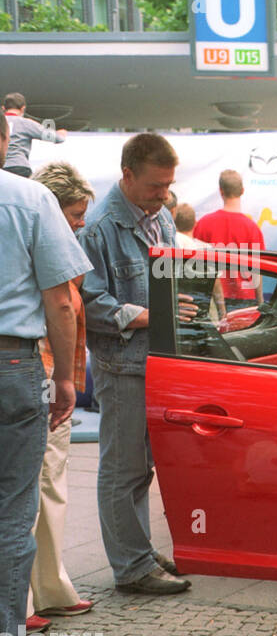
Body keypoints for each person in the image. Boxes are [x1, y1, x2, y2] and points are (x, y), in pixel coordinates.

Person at [79, 133, 194, 595]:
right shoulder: (99, 228)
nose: (164, 195)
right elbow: (88, 303)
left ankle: (139, 551)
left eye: (168, 185)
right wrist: (152, 316)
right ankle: (131, 565)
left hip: (154, 363)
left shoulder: (160, 217)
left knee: (142, 467)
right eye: (155, 186)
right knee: (122, 467)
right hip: (122, 366)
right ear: (127, 175)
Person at [0, 111, 85, 636]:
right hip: (11, 364)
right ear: (5, 140)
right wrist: (67, 376)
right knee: (11, 513)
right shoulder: (27, 199)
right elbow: (61, 300)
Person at [25, 164, 97, 630]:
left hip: (39, 377)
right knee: (36, 489)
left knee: (42, 488)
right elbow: (63, 307)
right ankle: (32, 598)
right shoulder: (47, 247)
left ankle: (46, 589)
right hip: (45, 379)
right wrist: (66, 384)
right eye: (75, 213)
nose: (81, 223)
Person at [193, 169, 265, 307]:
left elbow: (197, 265)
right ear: (242, 191)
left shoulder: (204, 223)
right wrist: (260, 303)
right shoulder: (252, 228)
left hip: (211, 299)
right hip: (245, 298)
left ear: (221, 191)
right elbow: (258, 270)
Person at [3, 93, 67, 178]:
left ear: (3, 108)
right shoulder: (26, 123)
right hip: (19, 168)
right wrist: (60, 134)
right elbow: (57, 138)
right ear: (23, 108)